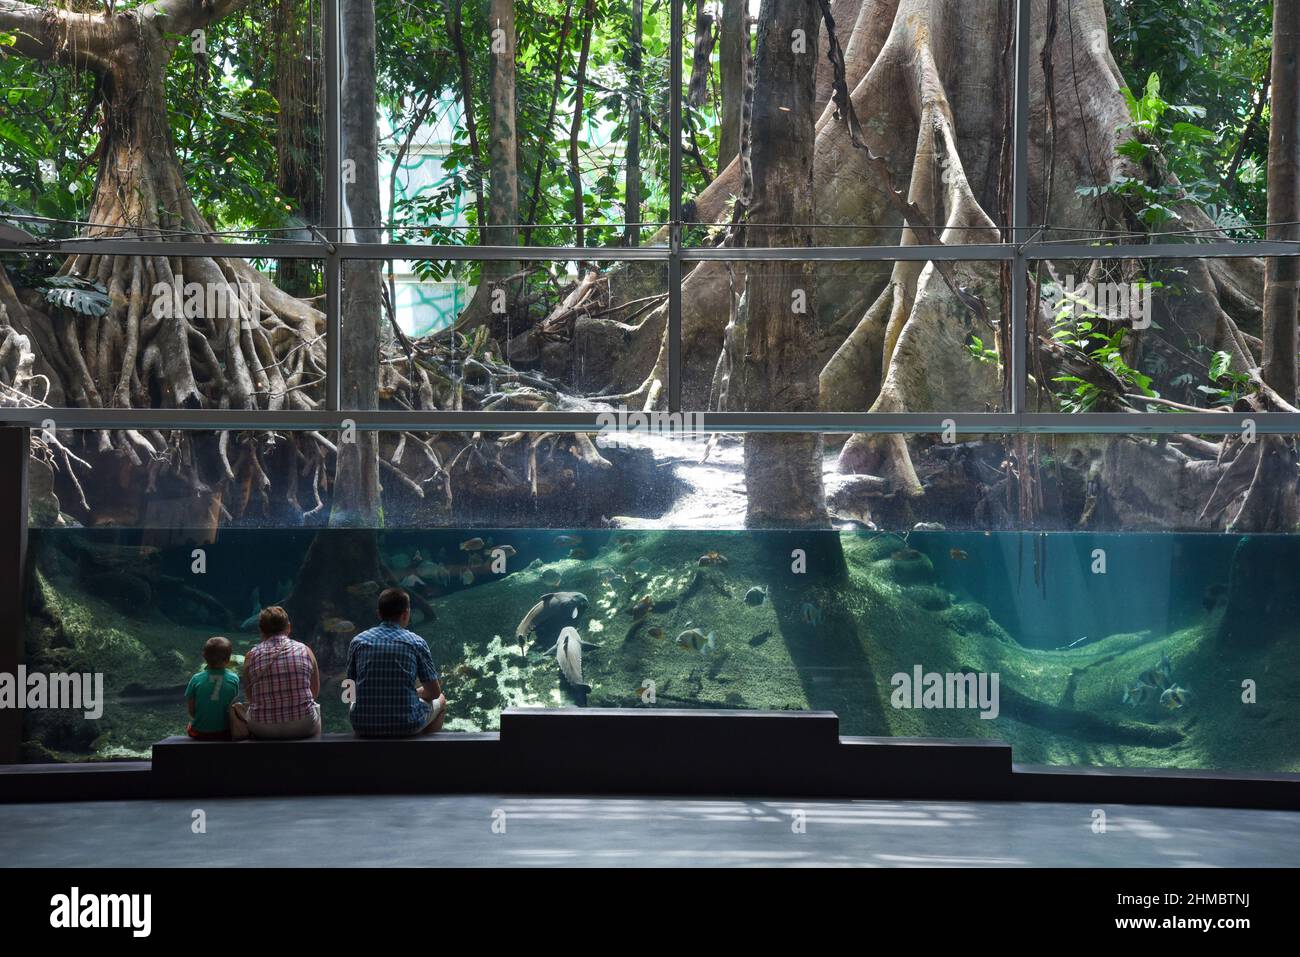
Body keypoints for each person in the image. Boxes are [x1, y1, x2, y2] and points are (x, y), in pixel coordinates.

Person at [346, 588, 446, 737]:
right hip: (406, 724)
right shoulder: (416, 642)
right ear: (406, 614)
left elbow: (348, 690)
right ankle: (425, 752)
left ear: (379, 614)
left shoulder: (358, 641)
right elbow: (434, 692)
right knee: (441, 700)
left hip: (362, 724)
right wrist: (414, 693)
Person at [235, 605, 321, 739]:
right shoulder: (305, 650)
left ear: (261, 630)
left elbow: (250, 697)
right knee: (316, 709)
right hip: (303, 724)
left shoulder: (250, 656)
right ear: (289, 627)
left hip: (262, 727)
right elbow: (314, 692)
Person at [184, 636, 241, 740]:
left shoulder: (196, 679)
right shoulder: (234, 678)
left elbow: (191, 710)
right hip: (225, 732)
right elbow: (233, 706)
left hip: (200, 732)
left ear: (204, 657)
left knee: (189, 726)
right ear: (228, 659)